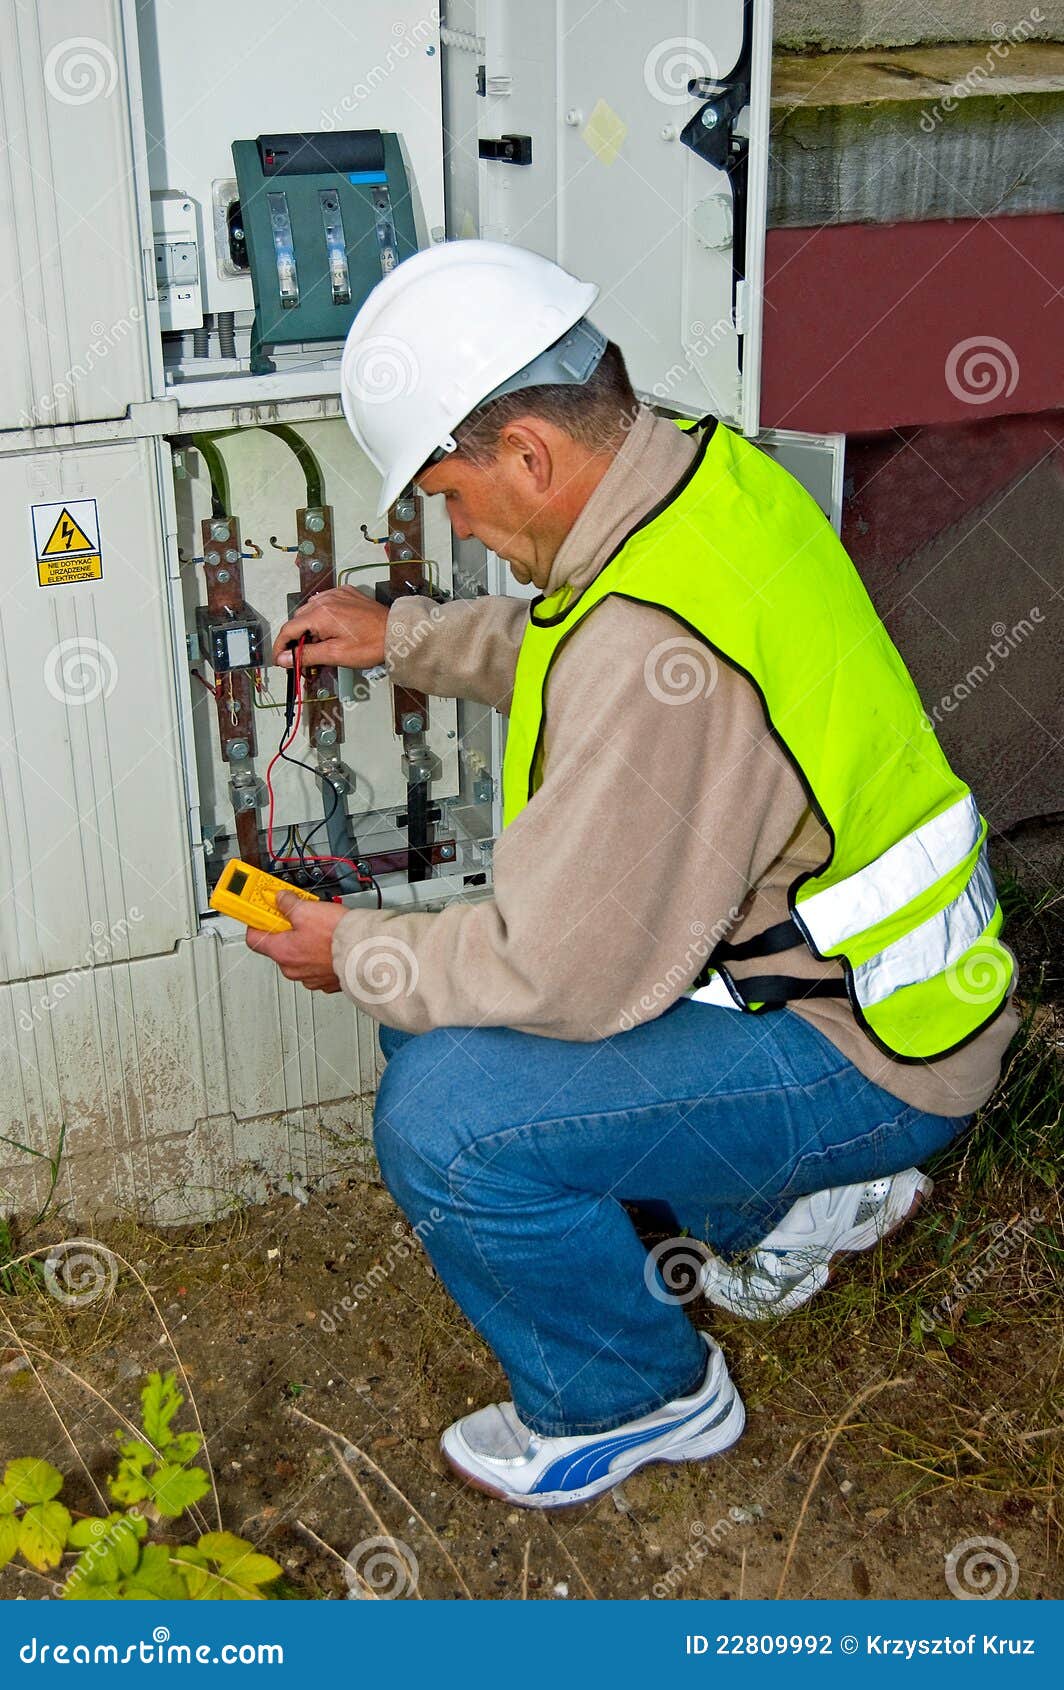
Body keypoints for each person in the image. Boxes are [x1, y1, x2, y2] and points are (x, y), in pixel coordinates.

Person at [247, 241, 1018, 1510]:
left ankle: (634, 1396)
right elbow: (583, 644)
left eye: (446, 492)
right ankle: (782, 1200)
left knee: (447, 1113)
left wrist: (354, 948)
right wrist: (414, 637)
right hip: (897, 990)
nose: (454, 523)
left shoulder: (648, 636)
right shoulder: (704, 477)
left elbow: (558, 971)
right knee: (445, 1034)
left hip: (871, 1049)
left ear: (528, 456)